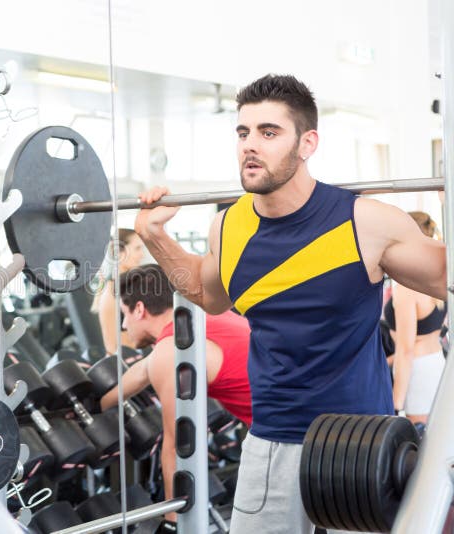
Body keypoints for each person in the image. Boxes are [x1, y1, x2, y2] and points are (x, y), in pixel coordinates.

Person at [133, 74, 446, 533]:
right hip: (271, 438)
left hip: (359, 441)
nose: (250, 145)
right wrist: (153, 235)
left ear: (307, 143)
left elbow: (444, 278)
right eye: (243, 132)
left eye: (269, 132)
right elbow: (206, 295)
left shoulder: (365, 222)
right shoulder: (230, 226)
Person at [99, 264, 252, 527]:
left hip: (289, 435)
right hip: (309, 417)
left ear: (139, 309)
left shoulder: (171, 352)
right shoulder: (202, 318)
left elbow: (177, 447)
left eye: (124, 314)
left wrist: (173, 522)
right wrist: (98, 405)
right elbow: (141, 371)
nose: (123, 325)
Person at [384, 211, 446, 425]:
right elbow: (429, 333)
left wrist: (395, 404)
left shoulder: (407, 287)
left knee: (417, 440)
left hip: (417, 372)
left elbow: (407, 349)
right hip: (436, 363)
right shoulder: (438, 275)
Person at [92, 229, 147, 355]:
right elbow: (112, 347)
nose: (142, 255)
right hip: (125, 362)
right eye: (137, 248)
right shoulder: (111, 293)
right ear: (119, 253)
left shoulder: (132, 287)